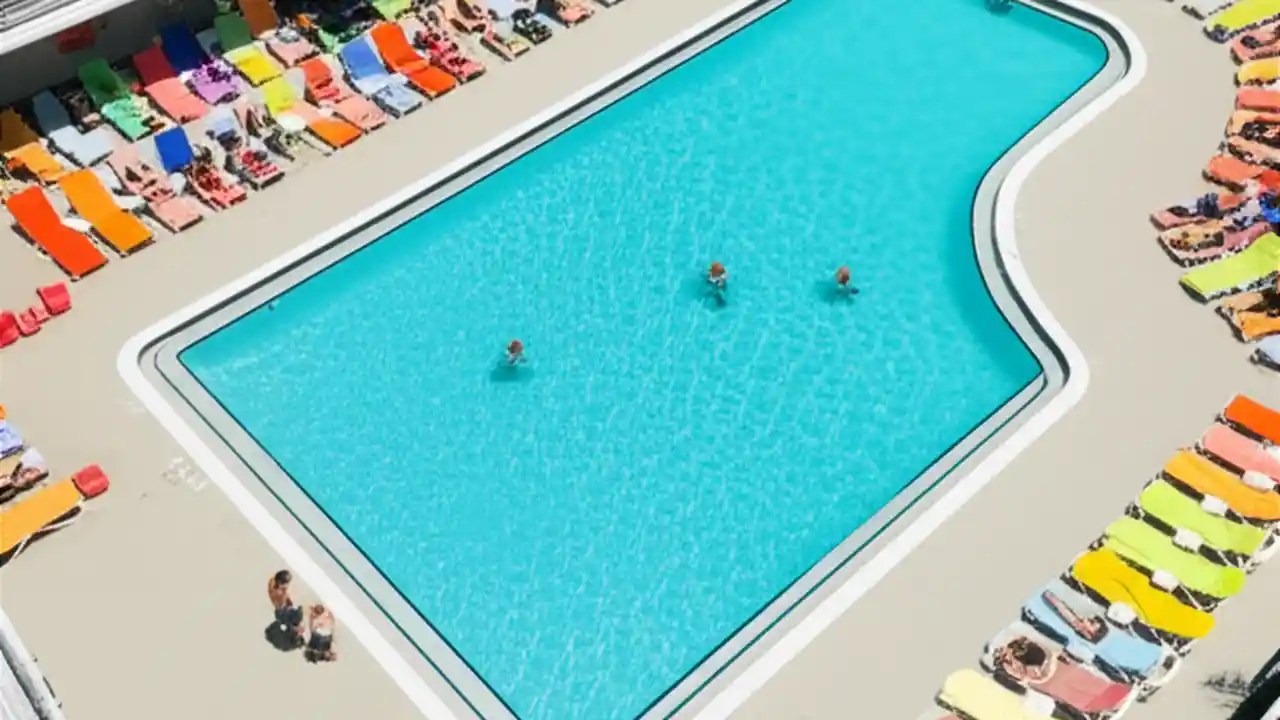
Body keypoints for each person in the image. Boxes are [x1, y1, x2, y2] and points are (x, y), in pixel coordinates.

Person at [1043, 590, 1107, 643]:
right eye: (1092, 620)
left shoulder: (1075, 622)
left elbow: (1063, 610)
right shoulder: (1077, 619)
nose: (1089, 619)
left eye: (1091, 622)